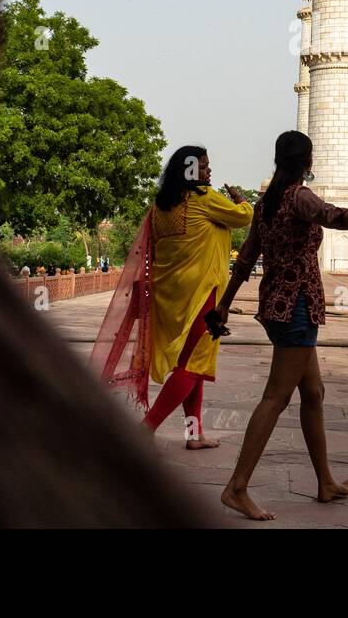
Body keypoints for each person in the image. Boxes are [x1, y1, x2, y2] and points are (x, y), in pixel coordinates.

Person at [209, 130, 348, 521]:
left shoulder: (266, 201)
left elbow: (248, 257)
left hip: (277, 305)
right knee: (276, 397)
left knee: (314, 393)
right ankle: (236, 487)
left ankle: (325, 482)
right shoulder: (298, 196)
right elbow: (333, 216)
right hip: (296, 308)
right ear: (307, 161)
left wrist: (224, 305)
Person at [89, 145, 253, 449]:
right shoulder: (204, 200)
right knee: (191, 366)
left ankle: (194, 434)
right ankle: (147, 427)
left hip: (169, 297)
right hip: (201, 296)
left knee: (195, 364)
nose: (209, 172)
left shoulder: (159, 207)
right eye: (204, 167)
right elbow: (244, 217)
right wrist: (241, 198)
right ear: (190, 171)